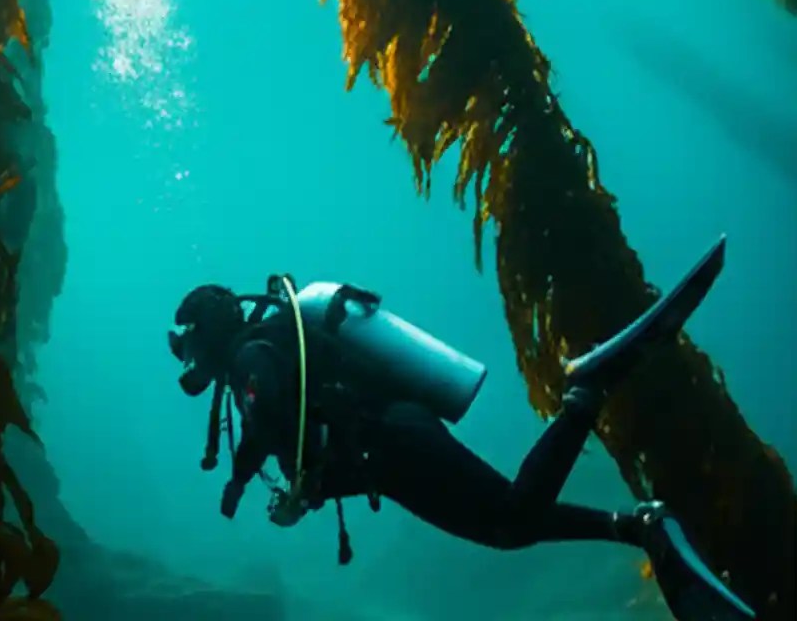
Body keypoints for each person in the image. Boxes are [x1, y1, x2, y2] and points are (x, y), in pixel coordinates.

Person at [167, 235, 755, 621]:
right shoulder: (265, 345)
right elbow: (277, 429)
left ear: (207, 336)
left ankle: (585, 394)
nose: (192, 365)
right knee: (505, 526)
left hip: (393, 442)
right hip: (391, 455)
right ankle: (637, 527)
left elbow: (268, 407)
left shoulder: (250, 359)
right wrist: (245, 485)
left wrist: (269, 486)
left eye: (189, 348)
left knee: (514, 513)